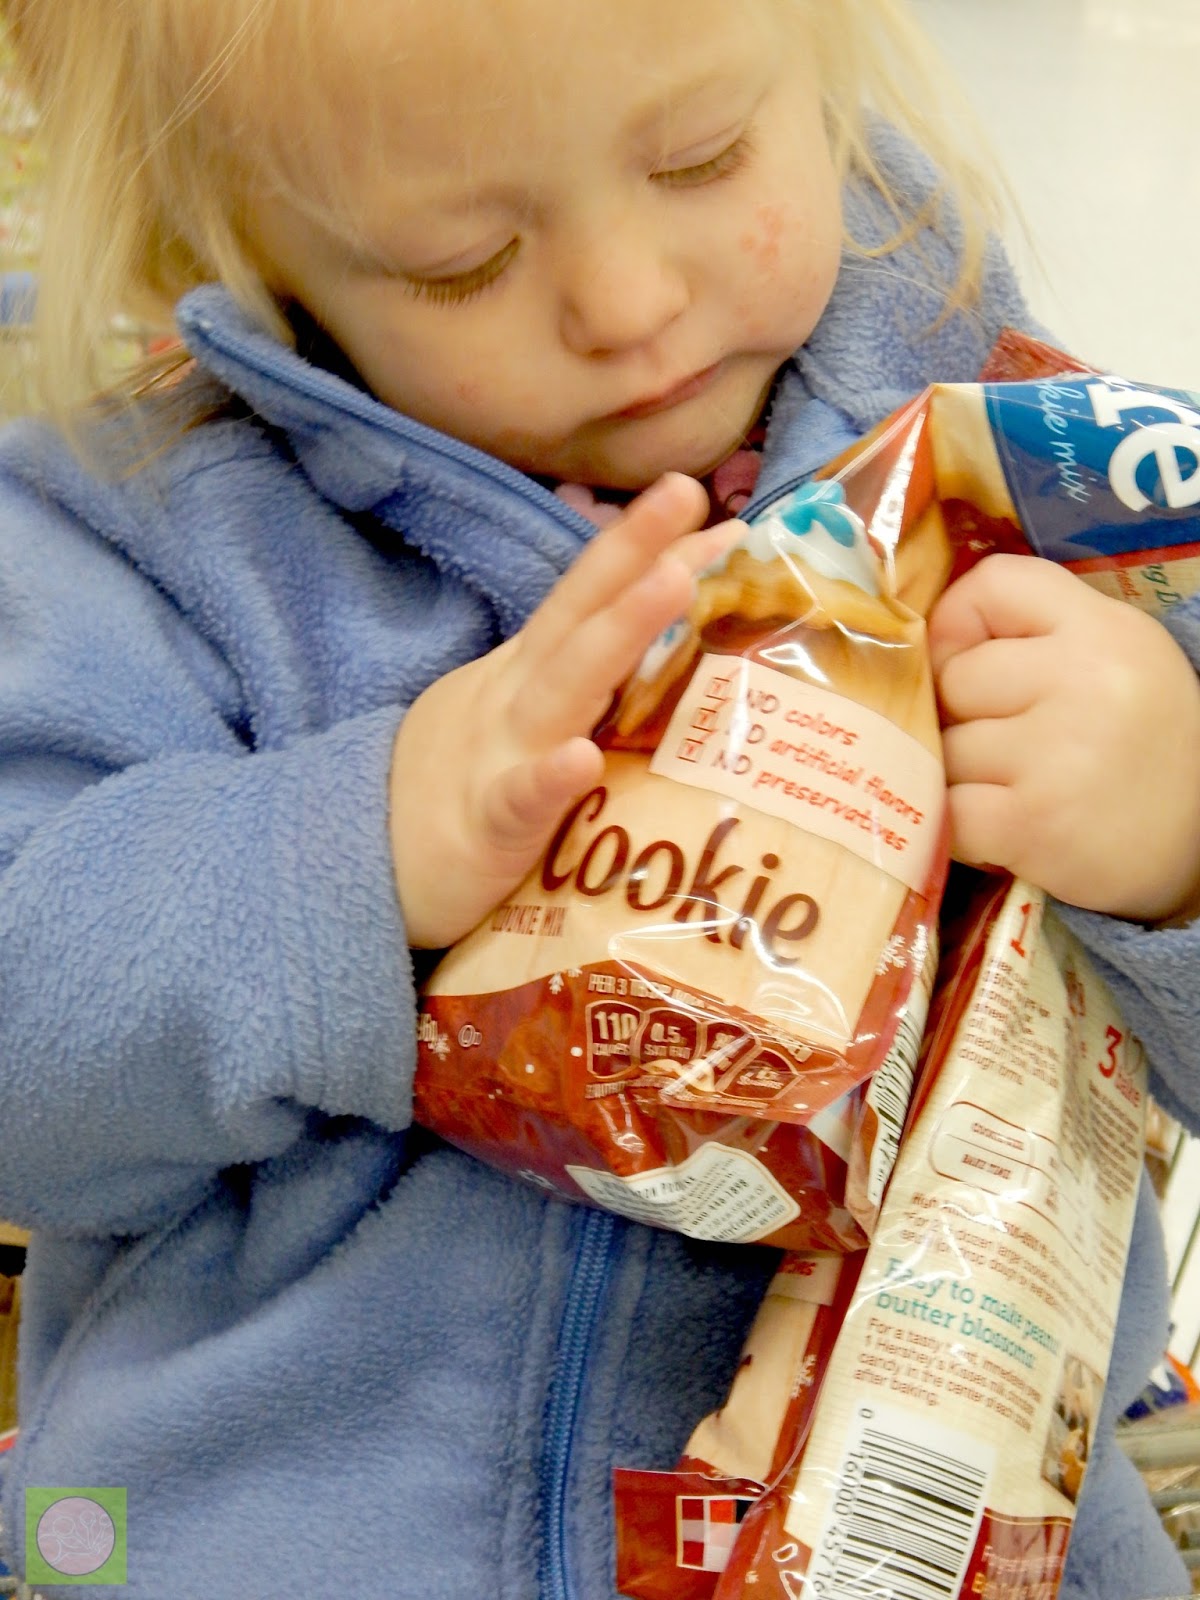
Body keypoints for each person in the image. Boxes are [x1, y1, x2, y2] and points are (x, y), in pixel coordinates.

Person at [0, 0, 1194, 1595]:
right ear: (247, 232)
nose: (631, 306)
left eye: (704, 158)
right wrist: (358, 851)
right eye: (457, 260)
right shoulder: (145, 547)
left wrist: (1171, 851)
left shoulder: (1031, 476)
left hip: (950, 1523)